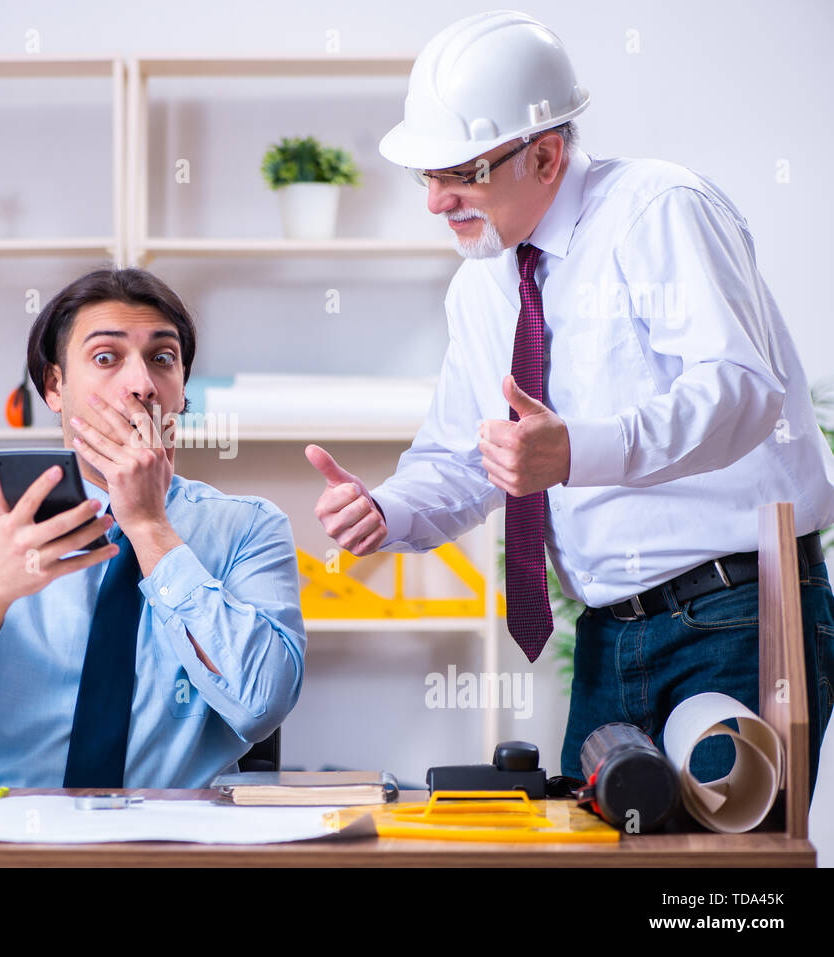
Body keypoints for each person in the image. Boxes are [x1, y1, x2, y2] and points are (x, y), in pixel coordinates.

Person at [307, 10, 834, 792]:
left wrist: (578, 449)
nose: (436, 203)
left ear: (546, 155)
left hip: (734, 615)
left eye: (461, 174)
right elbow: (468, 456)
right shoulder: (482, 284)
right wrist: (388, 510)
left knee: (717, 890)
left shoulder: (659, 209)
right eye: (427, 176)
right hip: (610, 637)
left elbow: (742, 389)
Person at [0, 267, 306, 788]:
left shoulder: (247, 527)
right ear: (55, 385)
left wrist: (151, 530)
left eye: (163, 360)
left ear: (180, 392)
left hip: (171, 840)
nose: (143, 385)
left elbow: (261, 705)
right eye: (106, 358)